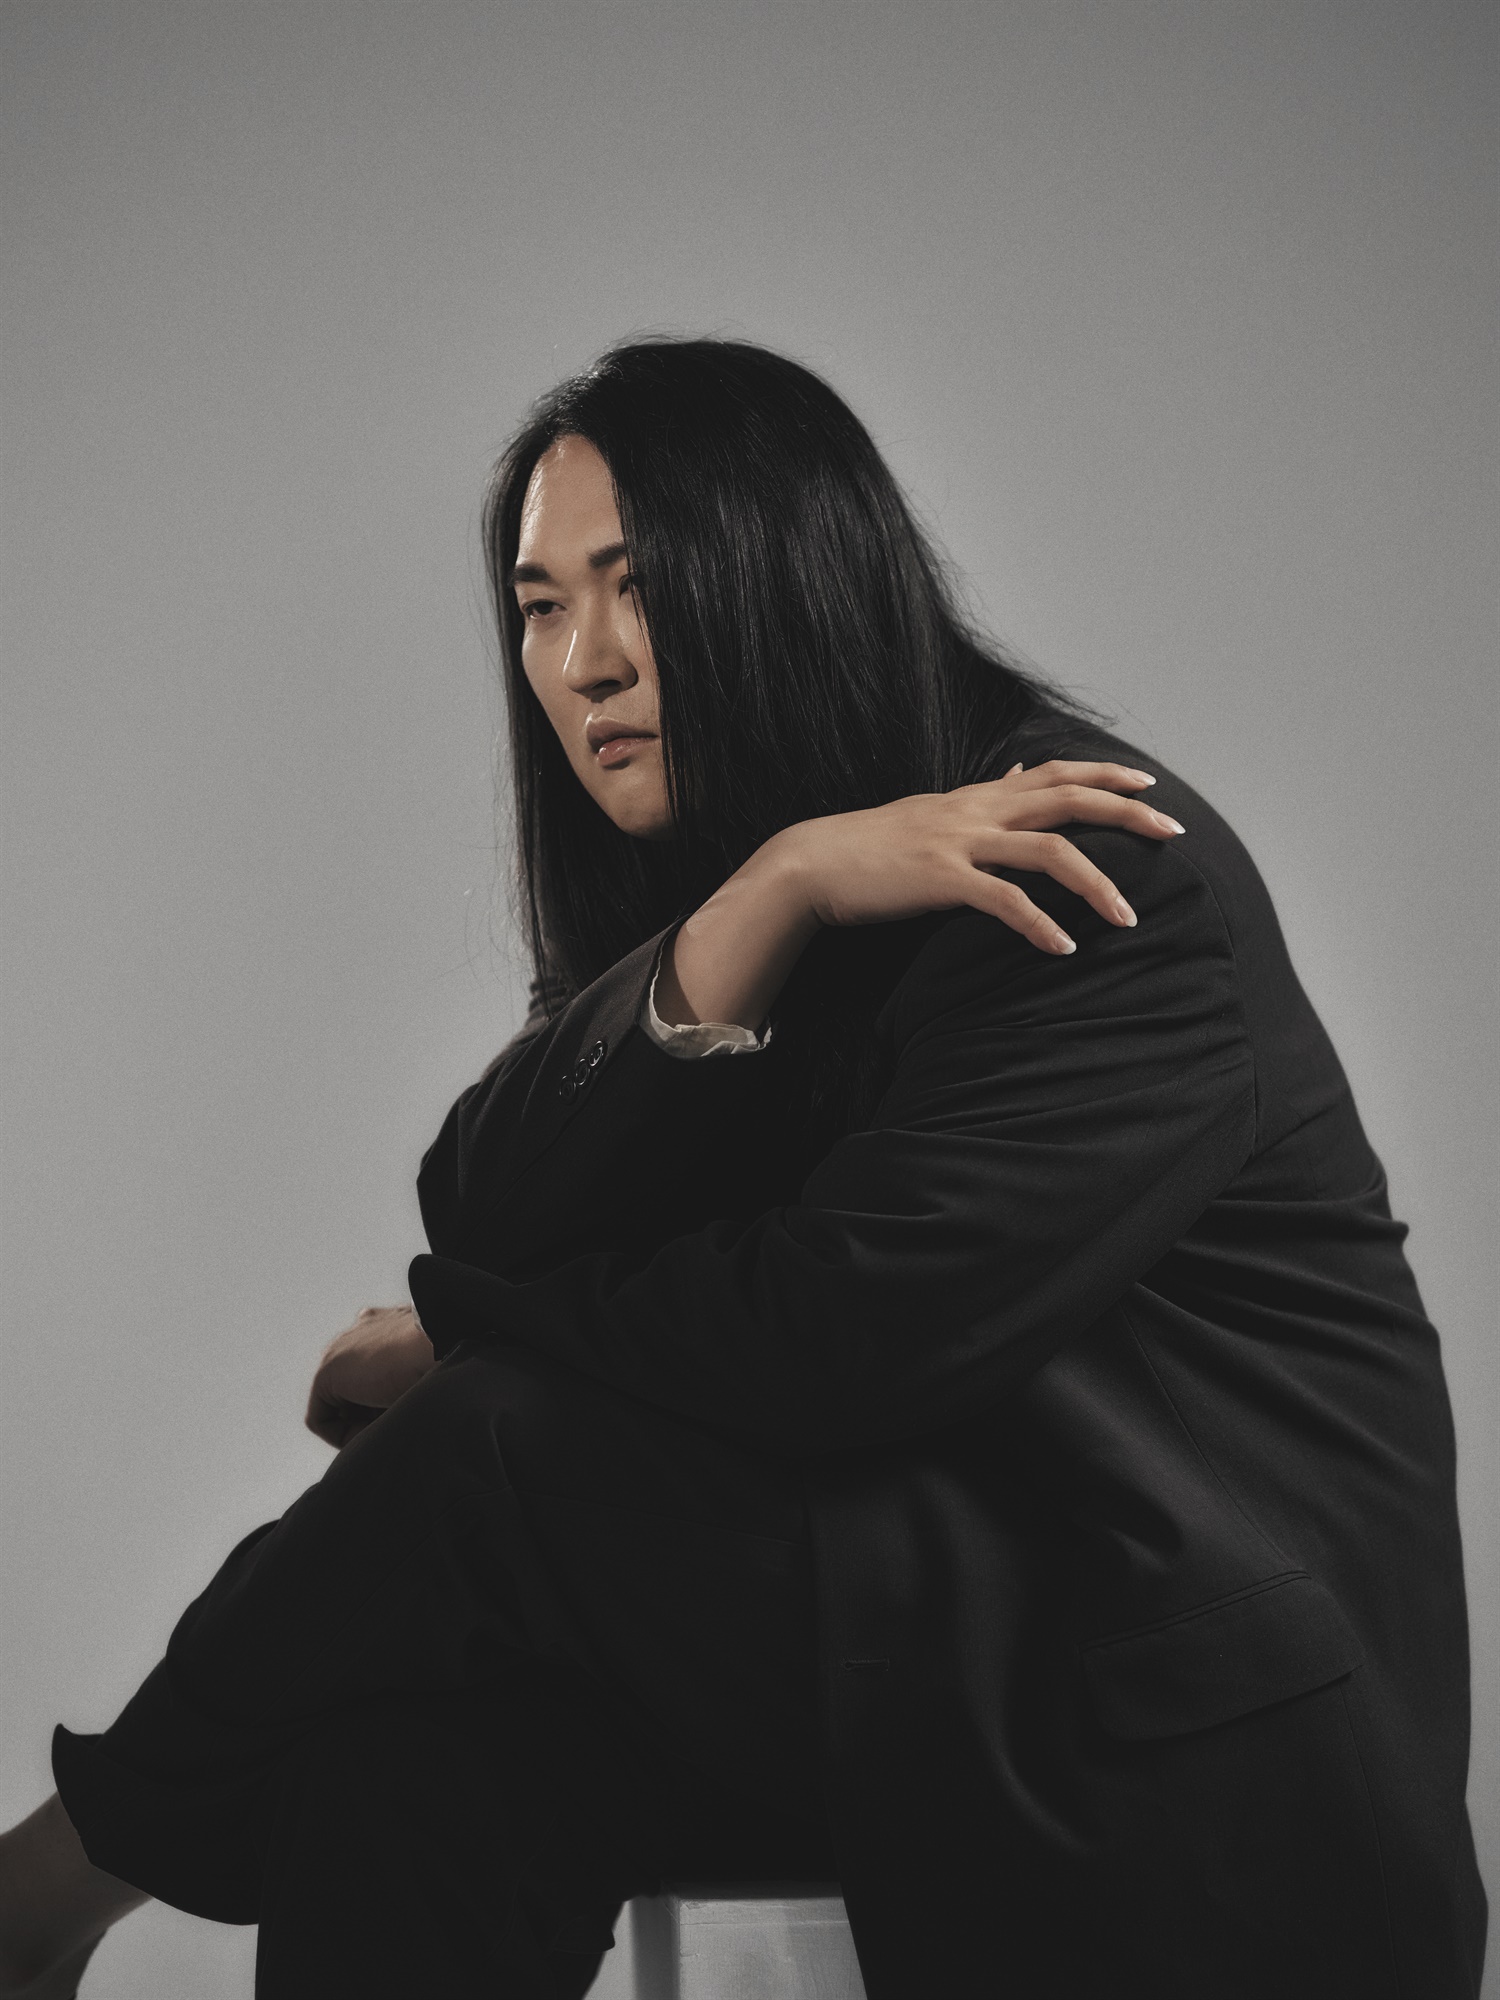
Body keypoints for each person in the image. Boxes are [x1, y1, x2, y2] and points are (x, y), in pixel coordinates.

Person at [0, 338, 1485, 1999]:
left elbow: (851, 1334)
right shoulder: (754, 876)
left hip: (1156, 1715)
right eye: (541, 605)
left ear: (788, 574)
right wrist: (768, 897)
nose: (586, 663)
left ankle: (45, 1891)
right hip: (897, 1645)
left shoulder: (1084, 858)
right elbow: (488, 1209)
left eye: (637, 587)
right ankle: (45, 1901)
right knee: (415, 1742)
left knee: (491, 1448)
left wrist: (464, 1346)